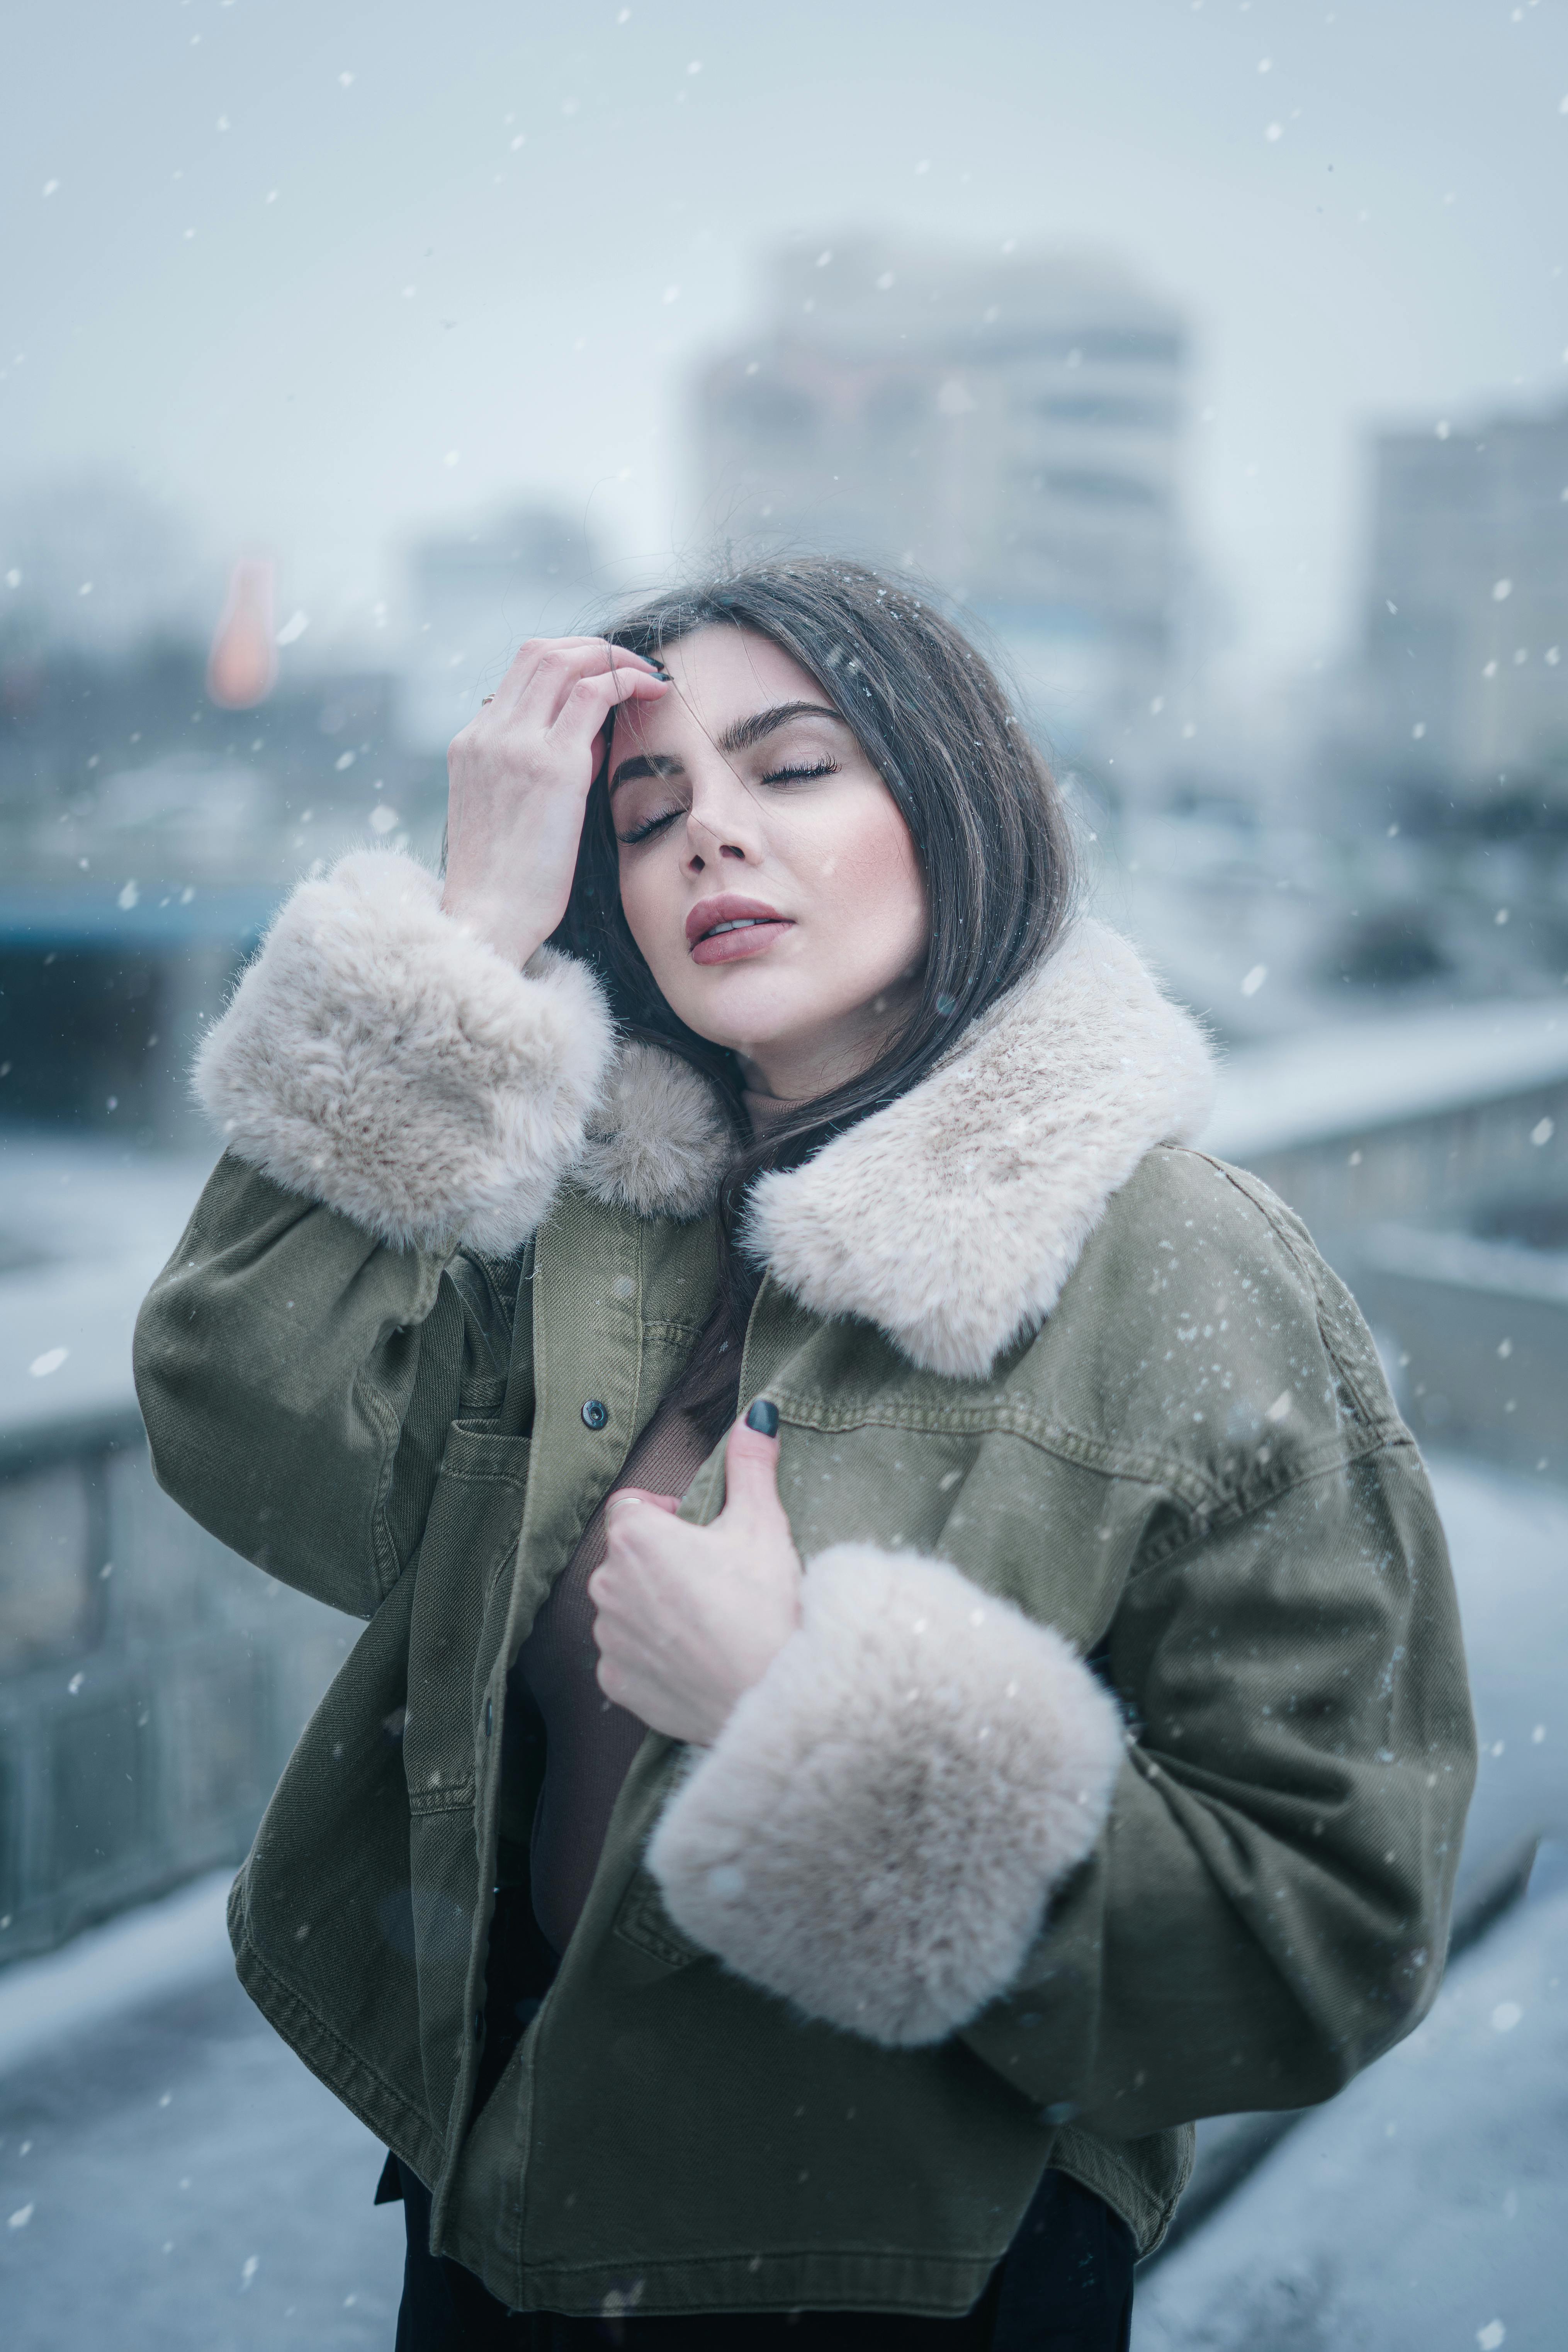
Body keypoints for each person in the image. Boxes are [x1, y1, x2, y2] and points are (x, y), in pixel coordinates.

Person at [133, 560, 1475, 2350]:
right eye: (647, 803)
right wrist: (463, 938)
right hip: (490, 2228)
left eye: (792, 766)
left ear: (951, 798)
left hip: (911, 2281)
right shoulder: (573, 1219)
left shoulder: (1184, 1265)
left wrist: (802, 1715)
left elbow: (1324, 1931)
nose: (709, 837)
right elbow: (247, 1426)